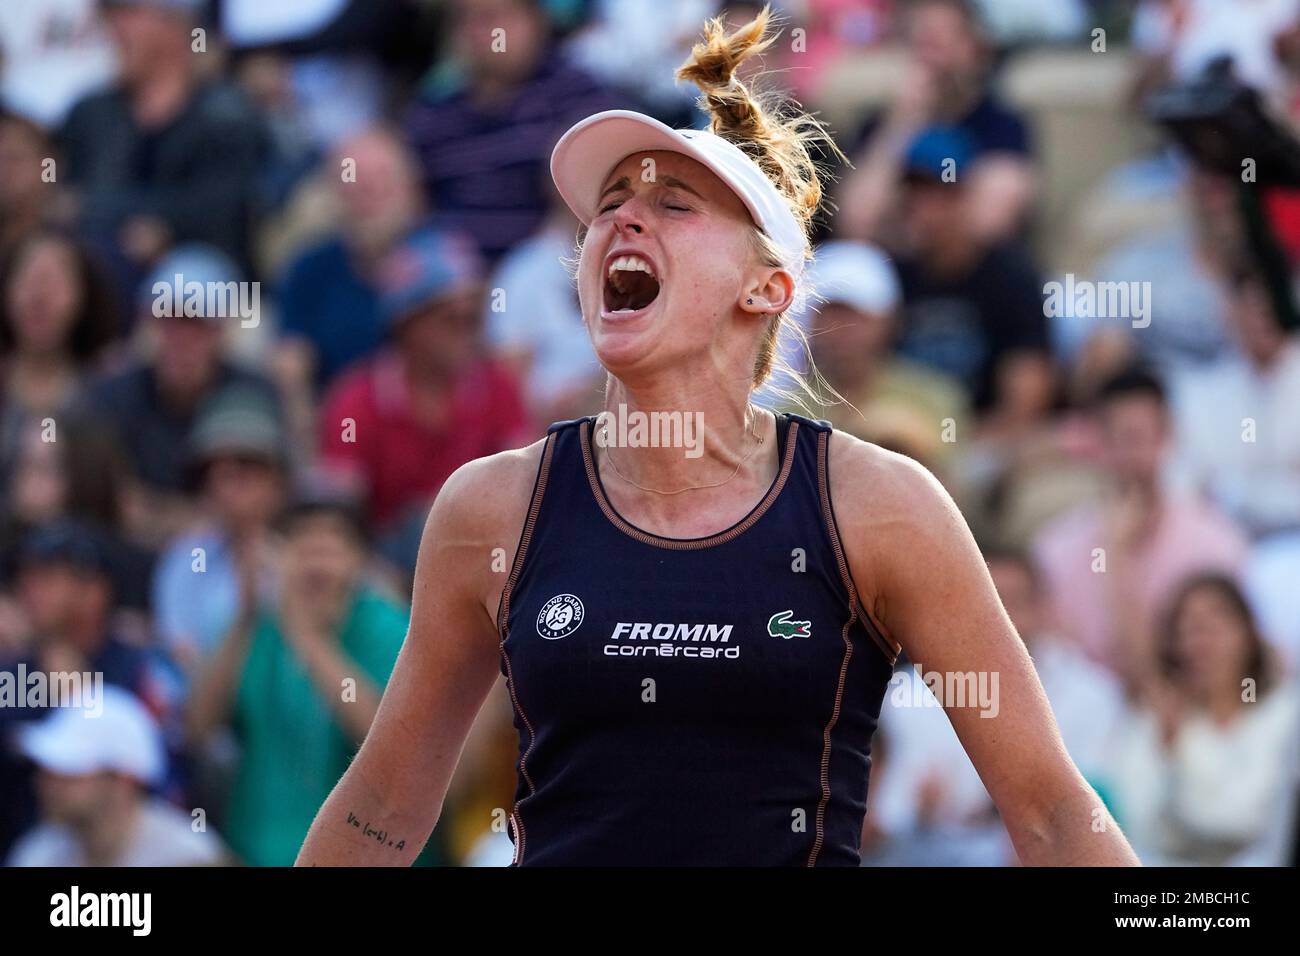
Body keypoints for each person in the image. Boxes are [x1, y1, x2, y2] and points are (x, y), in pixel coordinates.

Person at [297, 9, 1138, 867]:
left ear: (767, 288)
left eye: (672, 204)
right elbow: (383, 804)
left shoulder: (880, 507)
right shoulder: (491, 508)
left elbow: (1053, 815)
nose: (622, 221)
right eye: (610, 205)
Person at [186, 493, 409, 867]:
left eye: (332, 549)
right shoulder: (252, 626)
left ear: (359, 561)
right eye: (302, 546)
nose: (315, 564)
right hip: (255, 849)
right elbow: (197, 729)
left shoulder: (388, 628)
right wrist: (244, 617)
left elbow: (389, 744)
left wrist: (306, 637)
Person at [1033, 365, 1250, 677]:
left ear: (1168, 437)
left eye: (1137, 439)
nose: (1126, 456)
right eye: (1114, 439)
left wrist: (1117, 555)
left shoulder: (1216, 544)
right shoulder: (1055, 549)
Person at [317, 228, 530, 539]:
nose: (465, 331)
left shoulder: (498, 386)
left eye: (472, 318)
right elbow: (338, 517)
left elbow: (529, 492)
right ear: (406, 324)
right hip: (385, 566)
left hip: (484, 554)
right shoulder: (357, 399)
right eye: (450, 319)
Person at [78, 244, 282, 545]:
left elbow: (260, 503)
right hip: (129, 555)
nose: (181, 339)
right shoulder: (112, 395)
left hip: (229, 556)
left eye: (197, 324)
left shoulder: (254, 394)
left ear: (222, 330)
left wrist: (165, 516)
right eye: (169, 322)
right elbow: (114, 505)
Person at [1108, 573, 1300, 865]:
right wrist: (1167, 744)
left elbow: (1249, 818)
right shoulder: (1155, 719)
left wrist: (1182, 753)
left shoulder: (1283, 712)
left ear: (1248, 634)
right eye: (1188, 631)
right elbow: (1137, 823)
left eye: (1212, 628)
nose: (1200, 644)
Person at [6, 684, 228, 866]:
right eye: (46, 772)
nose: (44, 784)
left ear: (123, 780)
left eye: (68, 772)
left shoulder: (190, 856)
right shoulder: (36, 855)